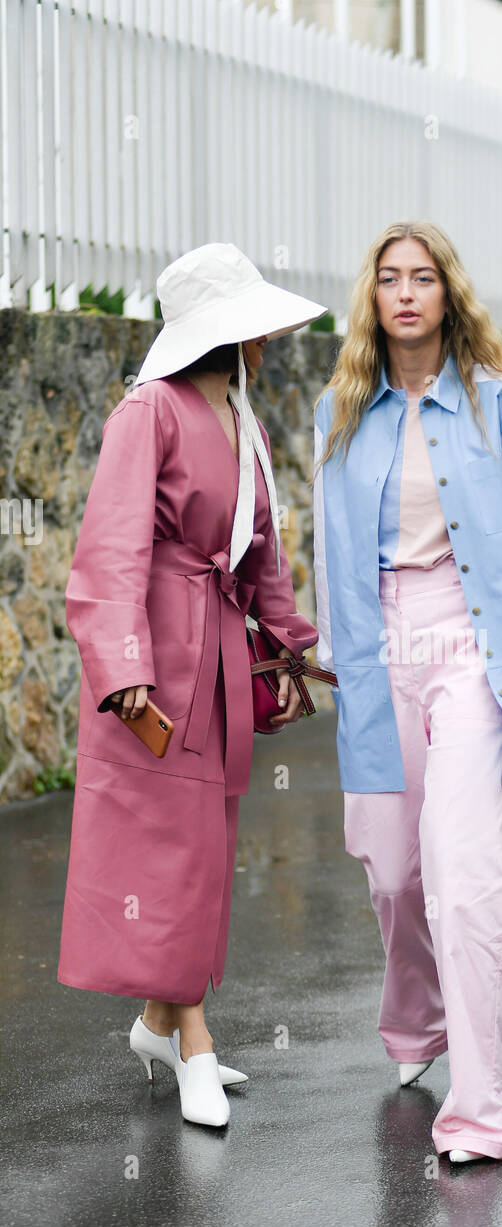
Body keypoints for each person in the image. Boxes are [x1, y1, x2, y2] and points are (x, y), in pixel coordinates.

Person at [312, 219, 502, 1164]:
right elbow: (326, 536)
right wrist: (337, 650)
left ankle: (481, 1108)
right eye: (390, 278)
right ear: (373, 298)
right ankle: (417, 1017)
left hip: (473, 642)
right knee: (392, 871)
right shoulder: (341, 407)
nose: (408, 293)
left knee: (467, 874)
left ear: (449, 293)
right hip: (380, 648)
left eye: (424, 277)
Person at [58, 244, 324, 1127]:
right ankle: (195, 1044)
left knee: (204, 849)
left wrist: (291, 649)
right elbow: (109, 551)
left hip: (213, 657)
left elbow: (264, 558)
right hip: (157, 670)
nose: (268, 342)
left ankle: (155, 1025)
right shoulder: (150, 411)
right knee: (166, 855)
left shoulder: (242, 415)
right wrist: (125, 670)